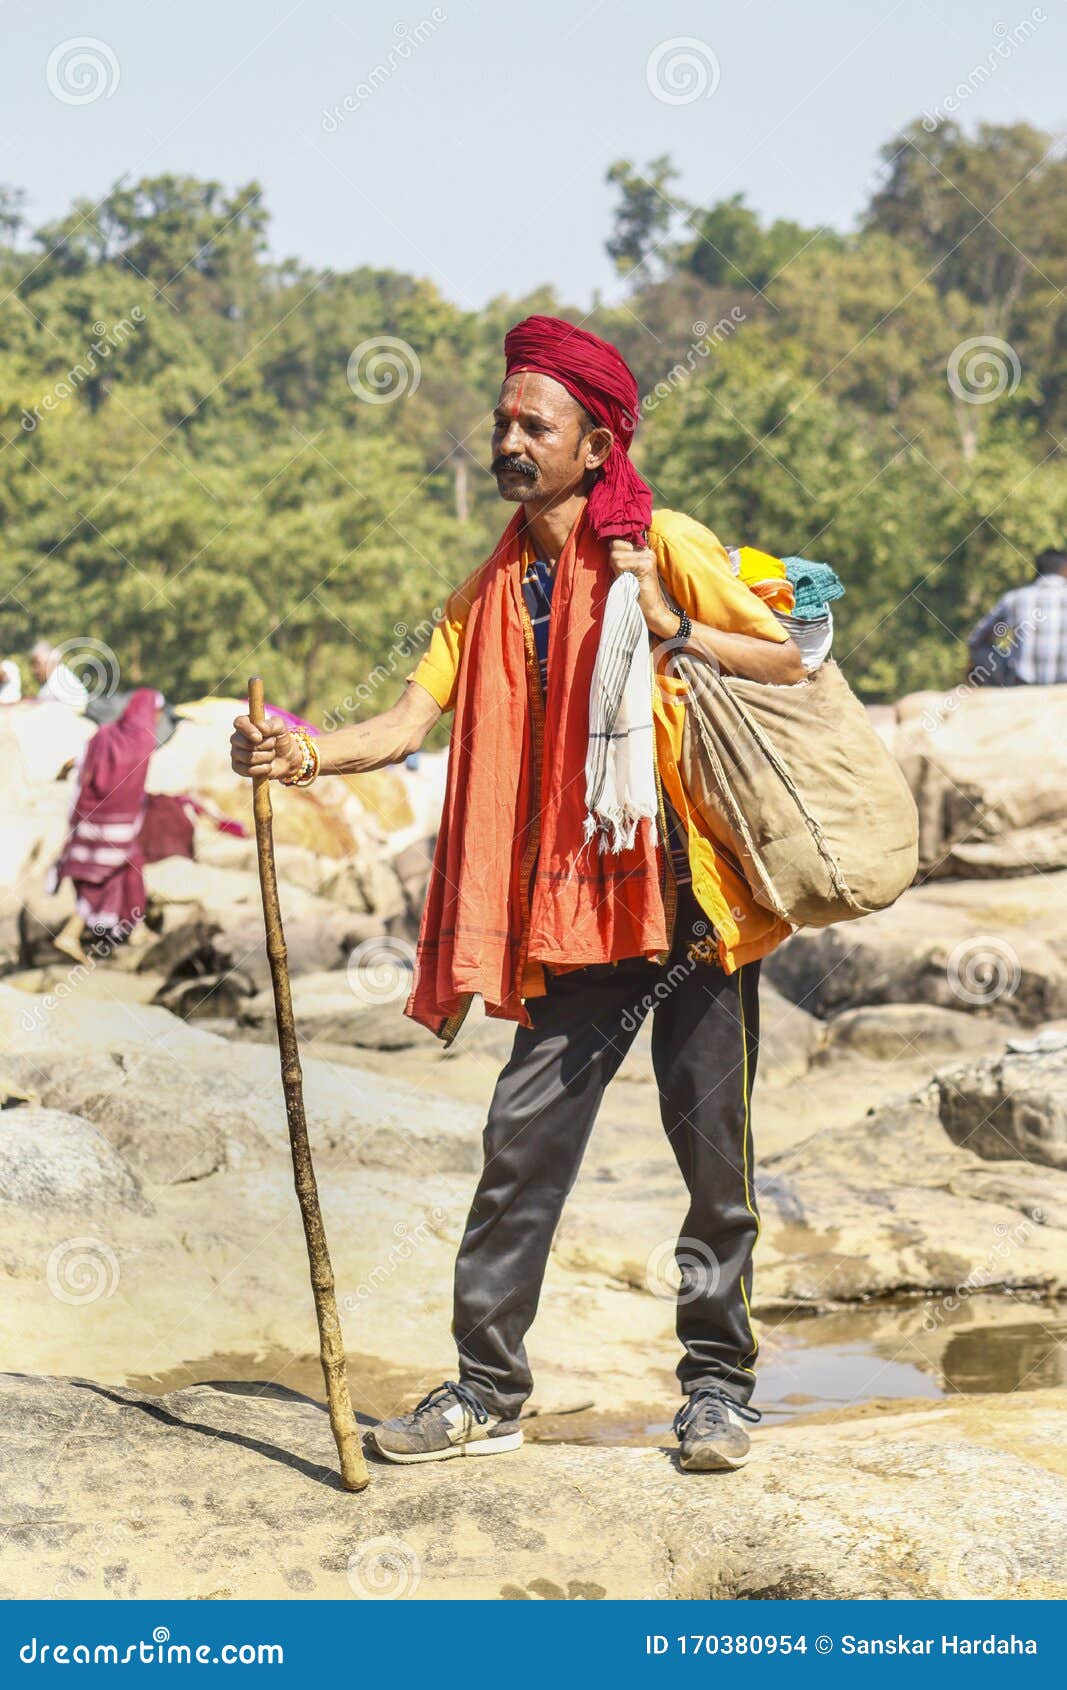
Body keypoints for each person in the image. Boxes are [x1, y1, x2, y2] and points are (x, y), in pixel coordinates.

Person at [231, 315, 803, 1474]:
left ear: (595, 446)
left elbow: (789, 653)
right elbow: (405, 722)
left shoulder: (665, 546)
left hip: (690, 905)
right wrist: (300, 755)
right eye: (499, 420)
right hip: (573, 917)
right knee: (518, 1146)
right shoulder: (486, 588)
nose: (507, 437)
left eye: (530, 424)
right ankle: (487, 1389)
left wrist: (673, 625)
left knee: (715, 1165)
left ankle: (716, 1388)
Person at [48, 689, 163, 963]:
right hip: (117, 825)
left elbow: (83, 767)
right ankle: (71, 932)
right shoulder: (143, 740)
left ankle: (135, 927)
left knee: (127, 870)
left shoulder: (104, 734)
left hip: (88, 818)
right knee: (106, 875)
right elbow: (134, 787)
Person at [967, 548, 1067, 686]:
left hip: (1022, 682)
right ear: (1065, 569)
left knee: (980, 652)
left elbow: (975, 640)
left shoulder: (1014, 598)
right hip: (1063, 681)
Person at [29, 640, 89, 708]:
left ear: (51, 661)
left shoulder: (62, 682)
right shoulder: (54, 681)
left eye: (37, 664)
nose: (34, 670)